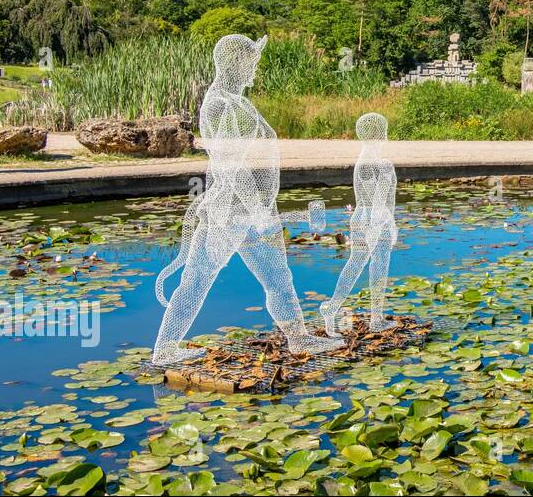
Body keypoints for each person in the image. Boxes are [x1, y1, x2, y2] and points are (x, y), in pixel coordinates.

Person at [152, 34, 343, 365]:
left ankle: (298, 338)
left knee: (278, 277)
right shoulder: (218, 104)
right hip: (231, 213)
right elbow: (230, 164)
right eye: (251, 62)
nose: (254, 70)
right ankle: (165, 349)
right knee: (197, 278)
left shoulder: (237, 102)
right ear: (234, 63)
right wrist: (258, 209)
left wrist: (262, 209)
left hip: (254, 213)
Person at [320, 113, 399, 336]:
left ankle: (336, 308)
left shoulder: (363, 162)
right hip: (374, 220)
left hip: (363, 219)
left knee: (357, 265)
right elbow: (379, 201)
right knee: (375, 266)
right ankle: (373, 318)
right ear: (380, 134)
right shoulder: (379, 165)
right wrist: (387, 226)